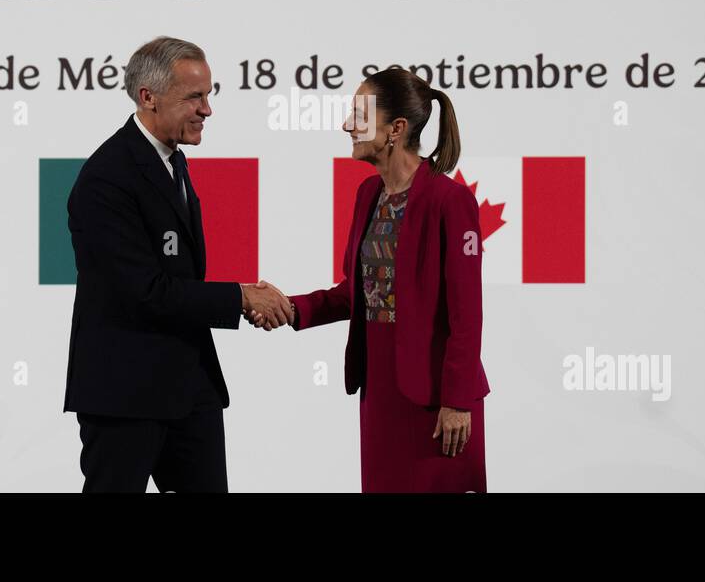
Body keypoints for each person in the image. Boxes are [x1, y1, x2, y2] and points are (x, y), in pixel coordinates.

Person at [64, 36, 291, 492]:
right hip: (125, 396)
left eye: (209, 95)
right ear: (148, 97)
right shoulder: (106, 178)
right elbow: (144, 291)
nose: (207, 109)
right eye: (194, 97)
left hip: (191, 389)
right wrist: (240, 296)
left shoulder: (173, 162)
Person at [251, 68, 490, 492]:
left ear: (396, 129)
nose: (346, 125)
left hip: (436, 399)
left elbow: (466, 315)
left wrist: (456, 402)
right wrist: (292, 307)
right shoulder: (367, 194)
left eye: (359, 115)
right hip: (380, 391)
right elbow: (357, 292)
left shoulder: (450, 200)